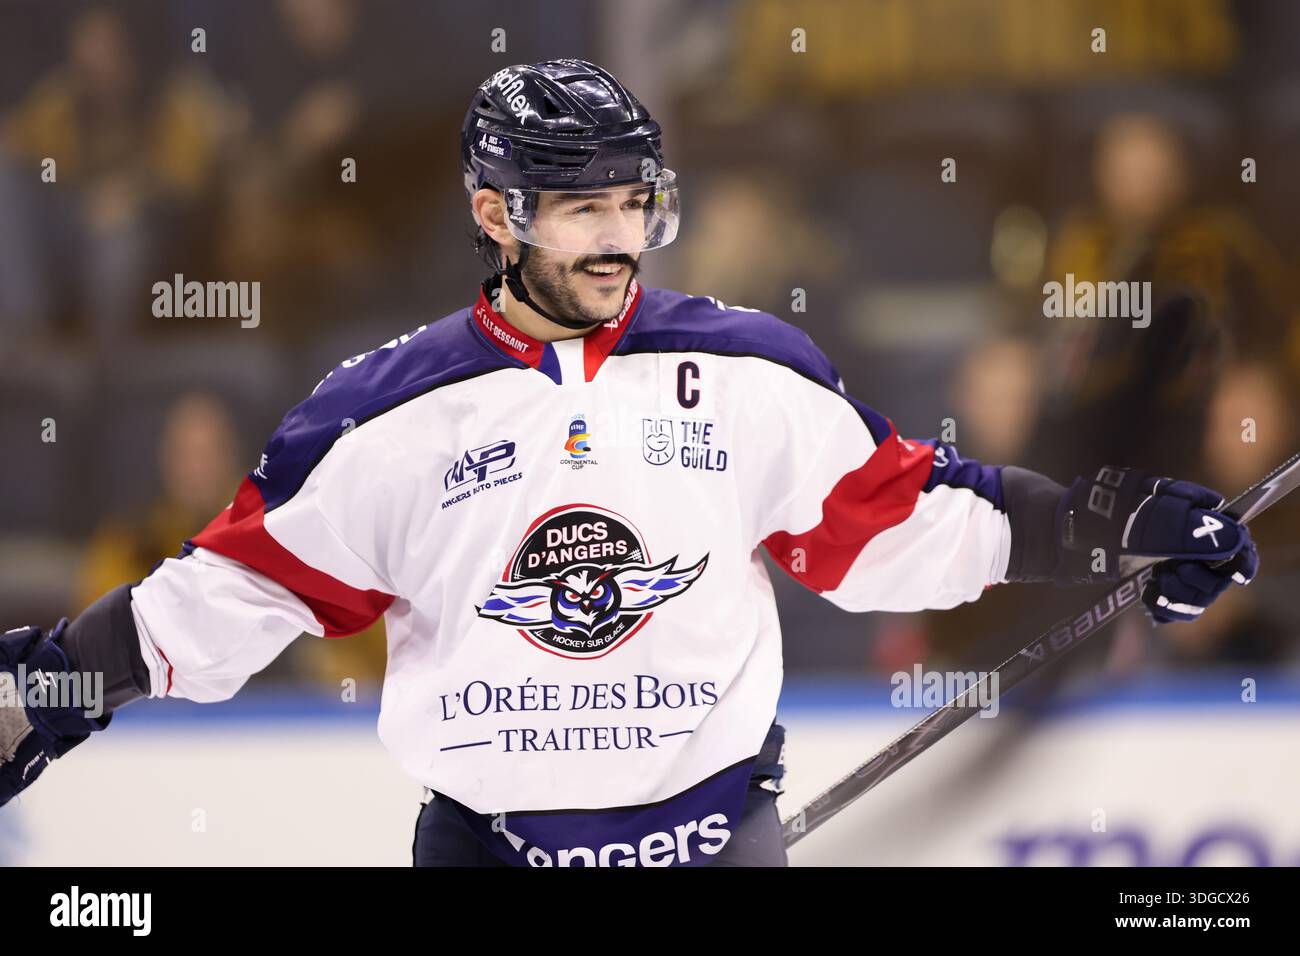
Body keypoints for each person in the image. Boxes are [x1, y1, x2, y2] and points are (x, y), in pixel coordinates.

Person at [0, 59, 1259, 867]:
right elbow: (236, 588)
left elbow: (908, 521)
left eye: (632, 205)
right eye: (579, 209)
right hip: (488, 850)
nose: (618, 240)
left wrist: (1123, 525)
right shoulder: (384, 412)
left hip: (718, 837)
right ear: (496, 214)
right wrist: (59, 685)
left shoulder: (752, 369)